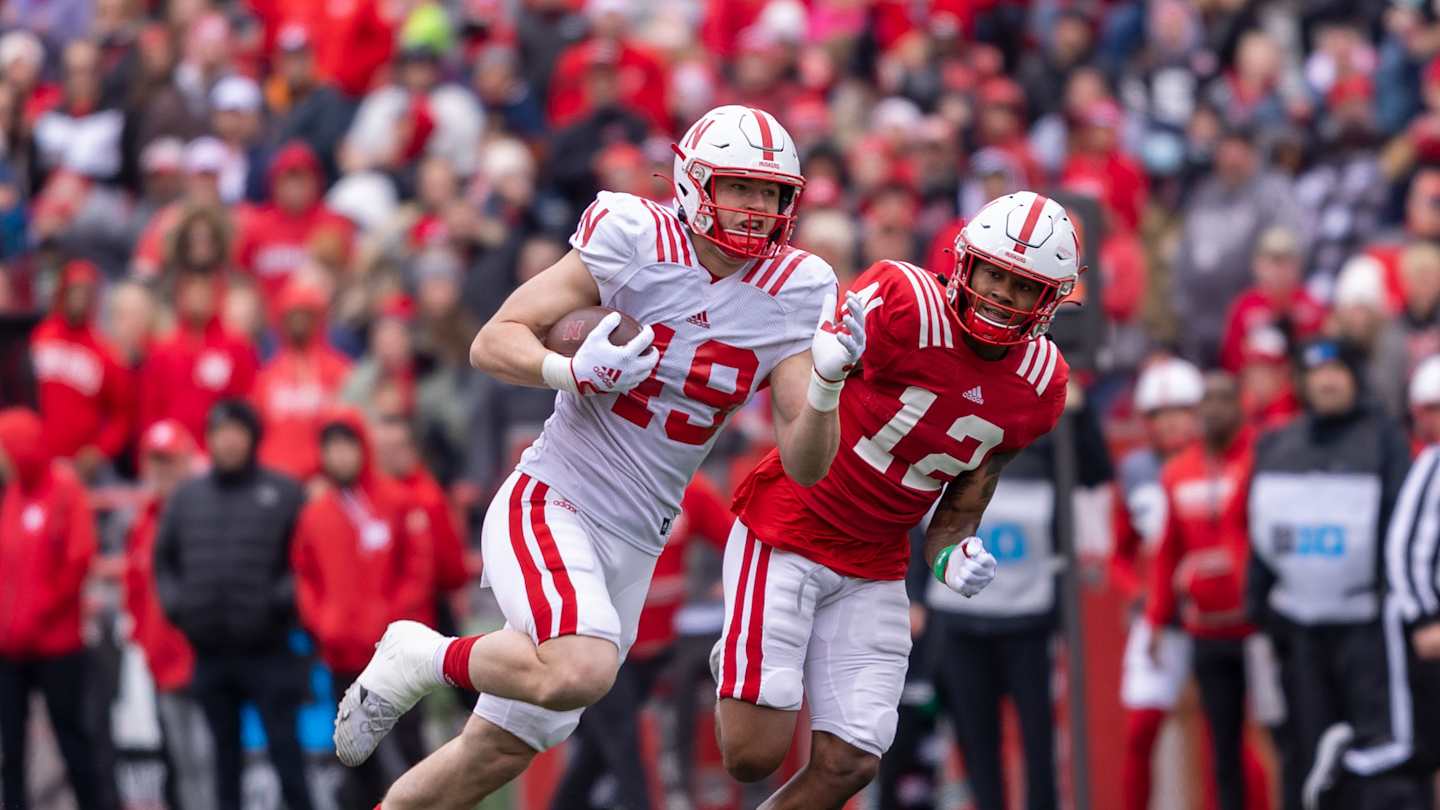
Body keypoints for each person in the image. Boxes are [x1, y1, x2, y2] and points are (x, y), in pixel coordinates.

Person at [333, 104, 865, 810]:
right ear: (693, 182)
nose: (757, 208)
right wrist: (571, 370)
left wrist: (827, 385)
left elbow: (806, 462)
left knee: (498, 750)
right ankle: (423, 656)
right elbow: (493, 339)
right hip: (558, 497)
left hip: (639, 536)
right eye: (740, 187)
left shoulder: (798, 290)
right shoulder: (633, 236)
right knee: (580, 668)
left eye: (771, 193)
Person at [710, 192, 1074, 808]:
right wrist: (828, 373)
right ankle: (743, 653)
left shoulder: (1040, 385)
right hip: (791, 525)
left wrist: (951, 557)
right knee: (752, 755)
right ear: (966, 265)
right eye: (995, 274)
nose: (1003, 294)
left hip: (876, 561)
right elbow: (797, 390)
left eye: (1024, 286)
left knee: (853, 761)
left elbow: (959, 509)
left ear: (1050, 301)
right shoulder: (902, 301)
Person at [1245, 340, 1416, 810]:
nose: (1326, 381)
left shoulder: (1383, 438)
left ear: (1354, 377)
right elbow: (1260, 528)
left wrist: (1394, 612)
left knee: (1371, 749)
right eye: (1316, 372)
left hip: (1366, 629)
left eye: (1337, 369)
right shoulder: (1277, 442)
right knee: (1305, 748)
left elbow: (1398, 532)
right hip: (1299, 631)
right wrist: (1257, 606)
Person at [919, 399, 1112, 810]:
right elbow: (917, 518)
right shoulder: (949, 421)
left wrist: (1080, 411)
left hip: (1029, 616)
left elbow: (1096, 472)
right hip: (960, 619)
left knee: (1038, 737)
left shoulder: (1044, 427)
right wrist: (915, 595)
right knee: (975, 739)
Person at [153, 399, 314, 810]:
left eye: (236, 432)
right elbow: (163, 560)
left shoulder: (283, 492)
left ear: (252, 437)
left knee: (285, 753)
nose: (227, 442)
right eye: (219, 433)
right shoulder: (186, 498)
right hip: (210, 653)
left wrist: (277, 603)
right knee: (222, 762)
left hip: (268, 651)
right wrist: (179, 608)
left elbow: (308, 562)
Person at [548, 474, 732, 810]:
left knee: (596, 755)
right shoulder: (600, 489)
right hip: (604, 648)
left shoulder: (692, 491)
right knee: (625, 754)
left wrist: (734, 581)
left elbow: (737, 541)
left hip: (657, 651)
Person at [292, 408, 432, 807]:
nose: (340, 457)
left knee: (409, 754)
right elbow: (305, 576)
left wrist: (390, 623)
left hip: (395, 657)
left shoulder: (398, 501)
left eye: (346, 446)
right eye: (331, 448)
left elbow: (418, 571)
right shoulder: (315, 514)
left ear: (362, 448)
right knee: (354, 760)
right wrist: (323, 623)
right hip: (342, 656)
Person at [1145, 372, 1267, 810]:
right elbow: (1166, 553)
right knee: (1221, 747)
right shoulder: (1177, 472)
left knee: (1274, 739)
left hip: (1258, 629)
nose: (1213, 409)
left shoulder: (1260, 459)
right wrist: (1157, 619)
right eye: (1206, 400)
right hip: (1206, 628)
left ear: (1240, 405)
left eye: (1223, 399)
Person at [0, 406, 118, 810]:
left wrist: (38, 614)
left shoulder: (65, 491)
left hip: (57, 644)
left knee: (73, 738)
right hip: (12, 648)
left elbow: (78, 561)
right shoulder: (11, 496)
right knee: (10, 748)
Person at [123, 419, 214, 810]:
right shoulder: (143, 522)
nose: (162, 471)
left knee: (207, 761)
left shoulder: (204, 514)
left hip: (201, 659)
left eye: (170, 461)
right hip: (162, 663)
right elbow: (135, 591)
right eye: (155, 461)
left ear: (188, 462)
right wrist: (145, 643)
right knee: (181, 763)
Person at [29, 258, 134, 481]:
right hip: (38, 458)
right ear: (62, 293)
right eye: (74, 290)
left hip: (81, 467)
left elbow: (122, 415)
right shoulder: (38, 339)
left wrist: (100, 451)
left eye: (86, 292)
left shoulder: (105, 353)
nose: (79, 298)